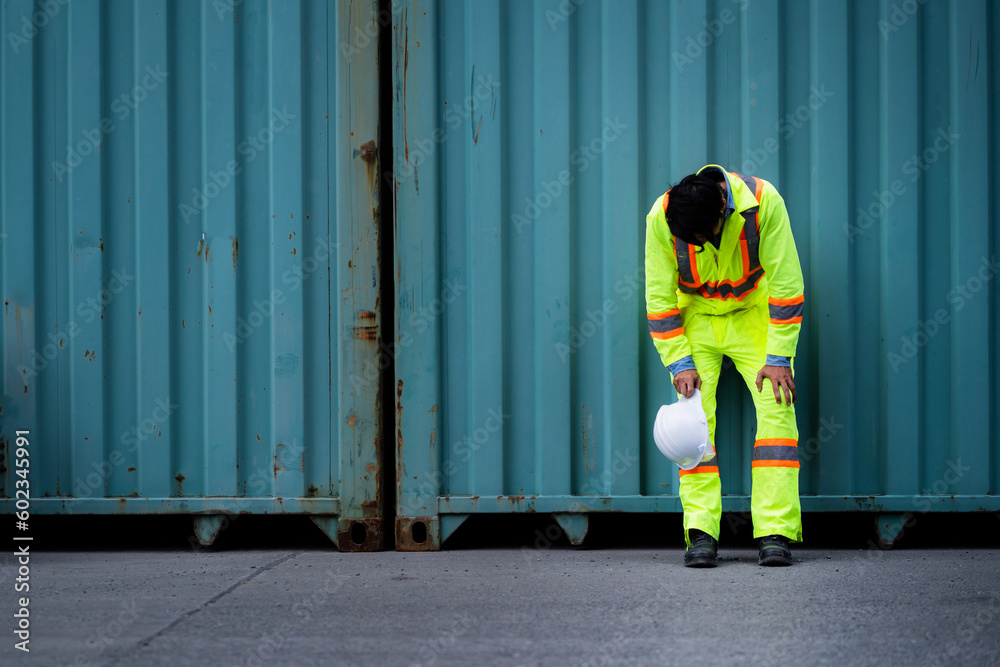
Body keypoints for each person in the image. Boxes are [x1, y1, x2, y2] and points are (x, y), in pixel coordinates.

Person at [644, 165, 804, 567]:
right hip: (697, 317)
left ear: (722, 212)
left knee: (777, 414)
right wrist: (679, 362)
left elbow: (786, 283)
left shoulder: (764, 202)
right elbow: (660, 299)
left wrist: (779, 358)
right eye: (690, 241)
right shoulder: (661, 218)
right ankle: (700, 534)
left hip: (753, 314)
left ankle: (775, 532)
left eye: (701, 238)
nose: (697, 244)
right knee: (692, 423)